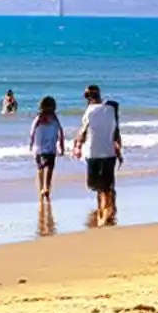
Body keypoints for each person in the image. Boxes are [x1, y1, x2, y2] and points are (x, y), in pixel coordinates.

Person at [73, 85, 122, 226]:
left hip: (93, 152)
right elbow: (115, 132)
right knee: (107, 184)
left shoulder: (89, 111)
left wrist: (77, 146)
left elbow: (82, 132)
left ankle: (104, 211)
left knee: (96, 185)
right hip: (108, 152)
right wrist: (118, 150)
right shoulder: (111, 109)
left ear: (88, 98)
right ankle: (107, 209)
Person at [29, 96, 65, 200]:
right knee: (49, 168)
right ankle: (46, 188)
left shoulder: (38, 119)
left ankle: (41, 188)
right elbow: (60, 133)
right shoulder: (54, 119)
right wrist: (61, 146)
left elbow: (32, 132)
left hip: (38, 148)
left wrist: (31, 144)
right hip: (50, 147)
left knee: (40, 168)